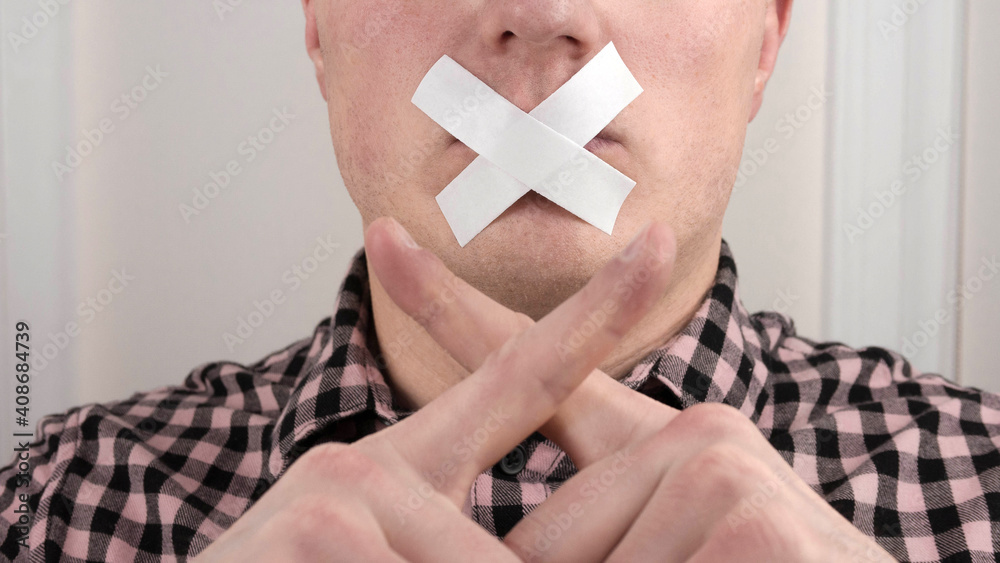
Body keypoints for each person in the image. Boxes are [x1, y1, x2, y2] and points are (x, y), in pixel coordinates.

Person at [3, 0, 997, 560]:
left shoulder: (982, 486)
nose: (541, 17)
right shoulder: (65, 504)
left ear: (767, 40)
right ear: (316, 29)